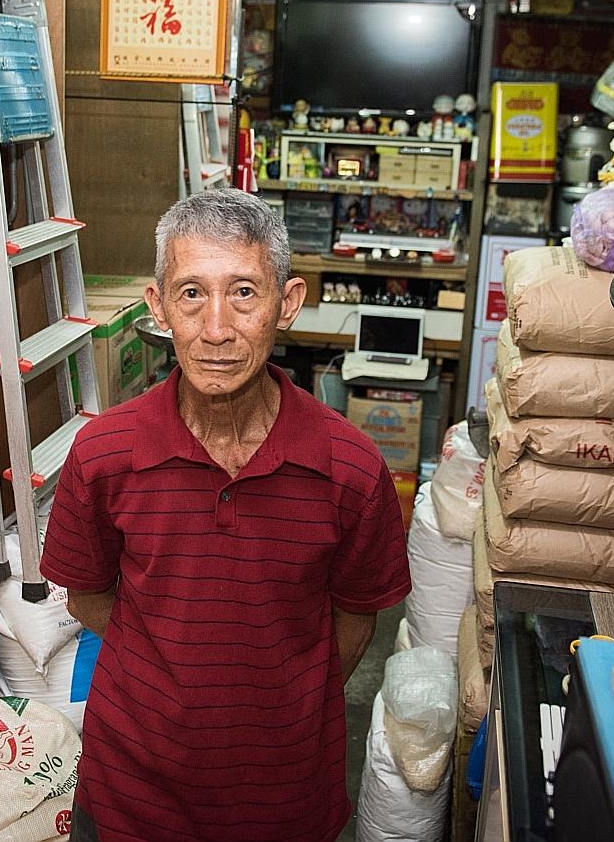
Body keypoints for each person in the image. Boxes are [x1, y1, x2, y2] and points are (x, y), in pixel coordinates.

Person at [41, 189, 412, 842]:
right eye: (191, 294)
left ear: (286, 303)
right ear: (158, 307)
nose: (216, 329)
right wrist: (172, 666)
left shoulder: (350, 467)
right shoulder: (104, 454)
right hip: (131, 794)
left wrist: (275, 692)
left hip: (284, 798)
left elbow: (356, 619)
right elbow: (87, 596)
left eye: (243, 292)